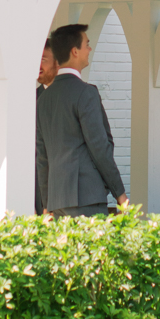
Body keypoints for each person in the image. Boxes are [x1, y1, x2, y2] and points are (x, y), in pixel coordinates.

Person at [36, 23, 128, 217]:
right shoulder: (86, 93)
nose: (90, 49)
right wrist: (120, 194)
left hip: (56, 200)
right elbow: (100, 147)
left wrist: (46, 203)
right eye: (86, 44)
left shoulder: (43, 98)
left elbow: (42, 156)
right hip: (86, 197)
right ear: (74, 51)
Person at [34, 40, 59, 215]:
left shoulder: (74, 94)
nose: (38, 65)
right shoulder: (29, 97)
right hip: (35, 186)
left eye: (43, 59)